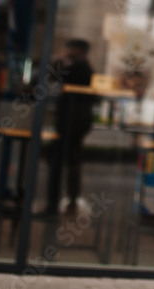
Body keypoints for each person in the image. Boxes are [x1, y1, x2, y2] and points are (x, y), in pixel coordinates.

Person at [45, 38, 95, 215]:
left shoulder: (80, 69)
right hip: (75, 120)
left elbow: (53, 75)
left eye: (71, 49)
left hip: (73, 121)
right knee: (71, 159)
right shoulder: (82, 68)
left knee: (66, 159)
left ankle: (60, 202)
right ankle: (69, 199)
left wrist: (59, 60)